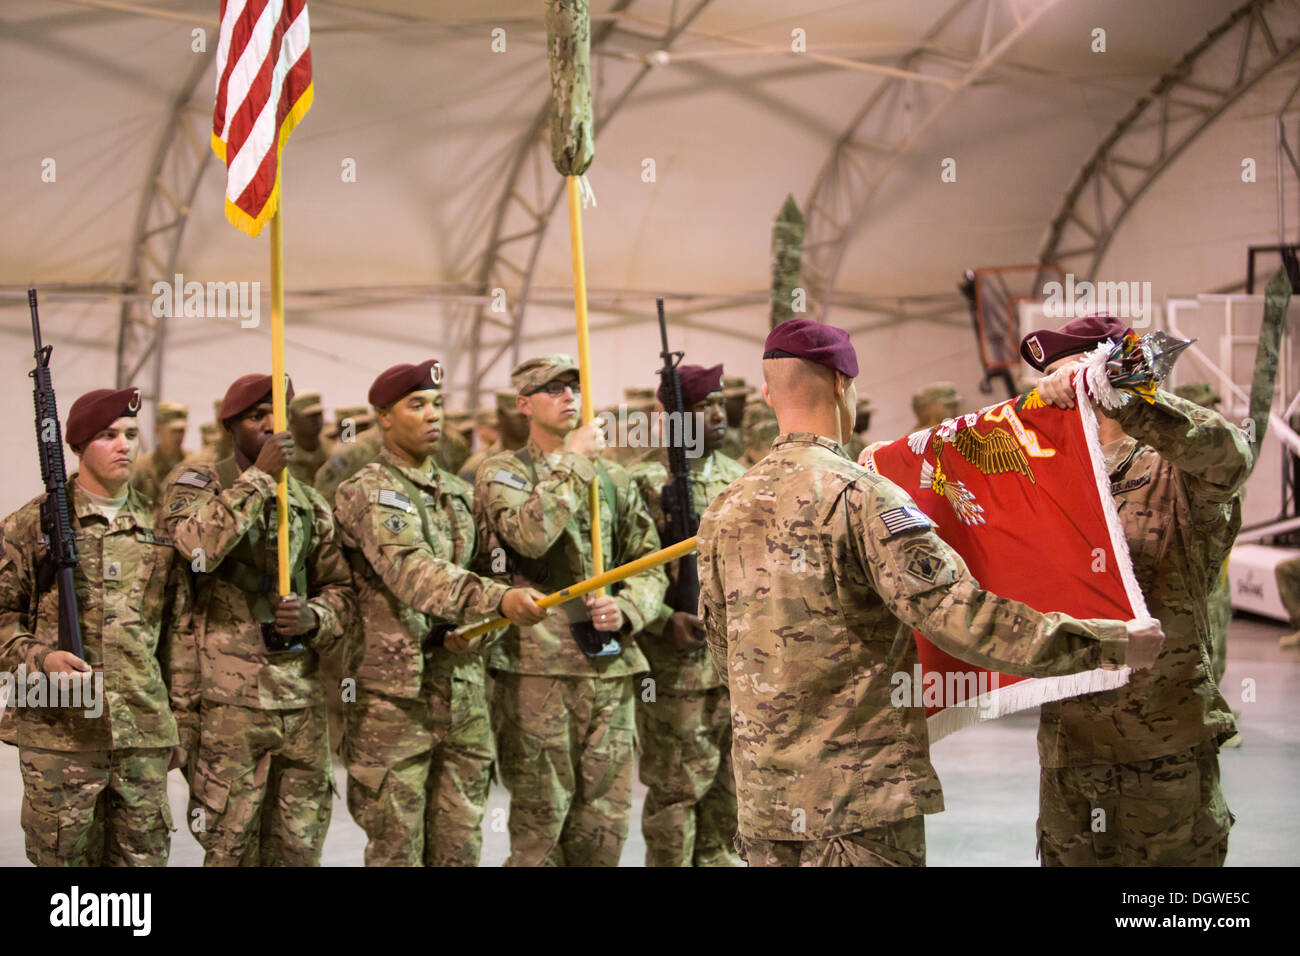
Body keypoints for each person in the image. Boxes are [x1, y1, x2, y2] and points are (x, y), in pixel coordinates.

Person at [697, 317, 1164, 867]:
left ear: (770, 393)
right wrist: (1108, 644)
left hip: (764, 808)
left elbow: (722, 649)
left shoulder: (724, 507)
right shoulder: (865, 496)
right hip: (856, 810)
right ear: (844, 385)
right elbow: (958, 616)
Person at [1025, 315, 1250, 865]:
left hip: (1162, 756)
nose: (1053, 392)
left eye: (1068, 375)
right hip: (1068, 755)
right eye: (1049, 379)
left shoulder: (1171, 472)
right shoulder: (1047, 481)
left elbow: (1230, 458)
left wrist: (1120, 399)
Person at [333, 360, 546, 866]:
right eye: (416, 405)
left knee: (460, 849)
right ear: (383, 417)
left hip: (462, 696)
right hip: (394, 703)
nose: (433, 415)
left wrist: (481, 629)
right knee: (396, 852)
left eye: (437, 404)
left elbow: (487, 572)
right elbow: (410, 570)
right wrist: (497, 602)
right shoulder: (369, 490)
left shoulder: (457, 492)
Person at [475, 353, 668, 866]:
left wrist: (627, 609)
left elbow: (650, 566)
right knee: (541, 829)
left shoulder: (615, 480)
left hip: (609, 669)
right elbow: (529, 537)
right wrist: (576, 460)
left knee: (604, 828)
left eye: (574, 389)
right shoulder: (502, 473)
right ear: (523, 404)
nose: (568, 399)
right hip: (539, 673)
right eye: (553, 390)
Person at [162, 373, 357, 866]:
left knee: (299, 848)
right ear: (230, 425)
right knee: (231, 847)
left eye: (279, 416)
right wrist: (259, 480)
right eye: (257, 417)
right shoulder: (196, 482)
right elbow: (198, 549)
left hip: (300, 703)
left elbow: (342, 592)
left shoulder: (309, 504)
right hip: (228, 705)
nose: (272, 426)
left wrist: (313, 617)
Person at [0, 386, 183, 865]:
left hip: (141, 734)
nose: (124, 444)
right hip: (60, 739)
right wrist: (40, 659)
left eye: (130, 433)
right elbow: (1, 617)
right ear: (78, 446)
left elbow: (180, 635)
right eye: (107, 435)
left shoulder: (160, 527)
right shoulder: (30, 526)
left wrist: (185, 723)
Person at [628, 364, 746, 866]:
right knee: (676, 795)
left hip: (735, 669)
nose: (718, 414)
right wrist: (661, 620)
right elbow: (624, 571)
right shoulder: (640, 481)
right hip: (672, 672)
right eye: (704, 405)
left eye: (721, 402)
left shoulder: (743, 477)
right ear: (673, 416)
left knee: (731, 793)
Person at [130, 399, 194, 505]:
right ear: (158, 430)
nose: (178, 436)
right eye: (173, 431)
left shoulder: (193, 463)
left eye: (181, 431)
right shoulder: (142, 466)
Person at [459, 389, 528, 483]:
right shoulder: (478, 466)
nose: (526, 421)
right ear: (501, 416)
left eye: (529, 415)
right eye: (519, 416)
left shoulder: (543, 460)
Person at [287, 392, 333, 486]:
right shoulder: (283, 454)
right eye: (309, 416)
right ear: (292, 418)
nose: (316, 420)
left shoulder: (332, 451)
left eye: (319, 414)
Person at [720, 376, 754, 460]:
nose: (743, 404)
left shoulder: (751, 431)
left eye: (743, 399)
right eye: (736, 400)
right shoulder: (714, 436)